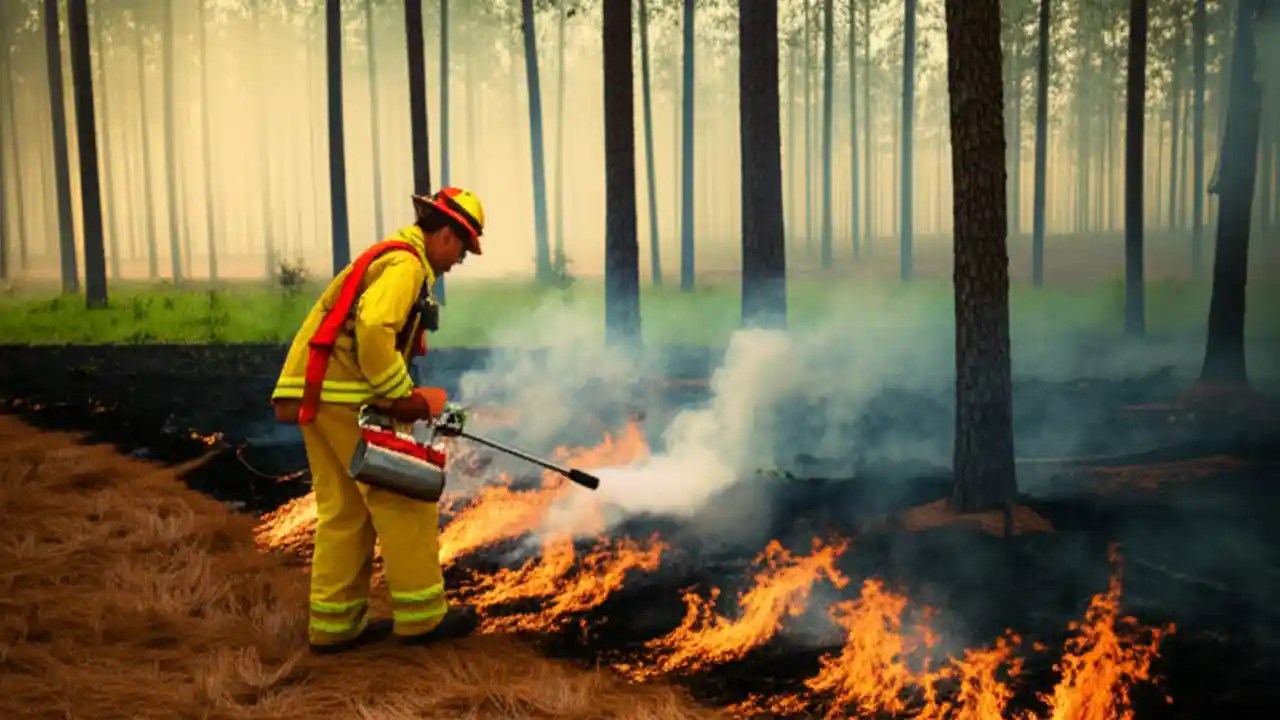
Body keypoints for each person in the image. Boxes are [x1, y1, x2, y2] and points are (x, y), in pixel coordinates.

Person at [270, 187, 486, 654]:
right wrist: (399, 397)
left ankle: (335, 627)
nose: (461, 260)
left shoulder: (393, 258)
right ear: (446, 234)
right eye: (463, 248)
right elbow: (372, 329)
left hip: (321, 392)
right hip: (347, 397)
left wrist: (400, 396)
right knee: (403, 496)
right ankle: (423, 619)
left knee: (344, 512)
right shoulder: (406, 264)